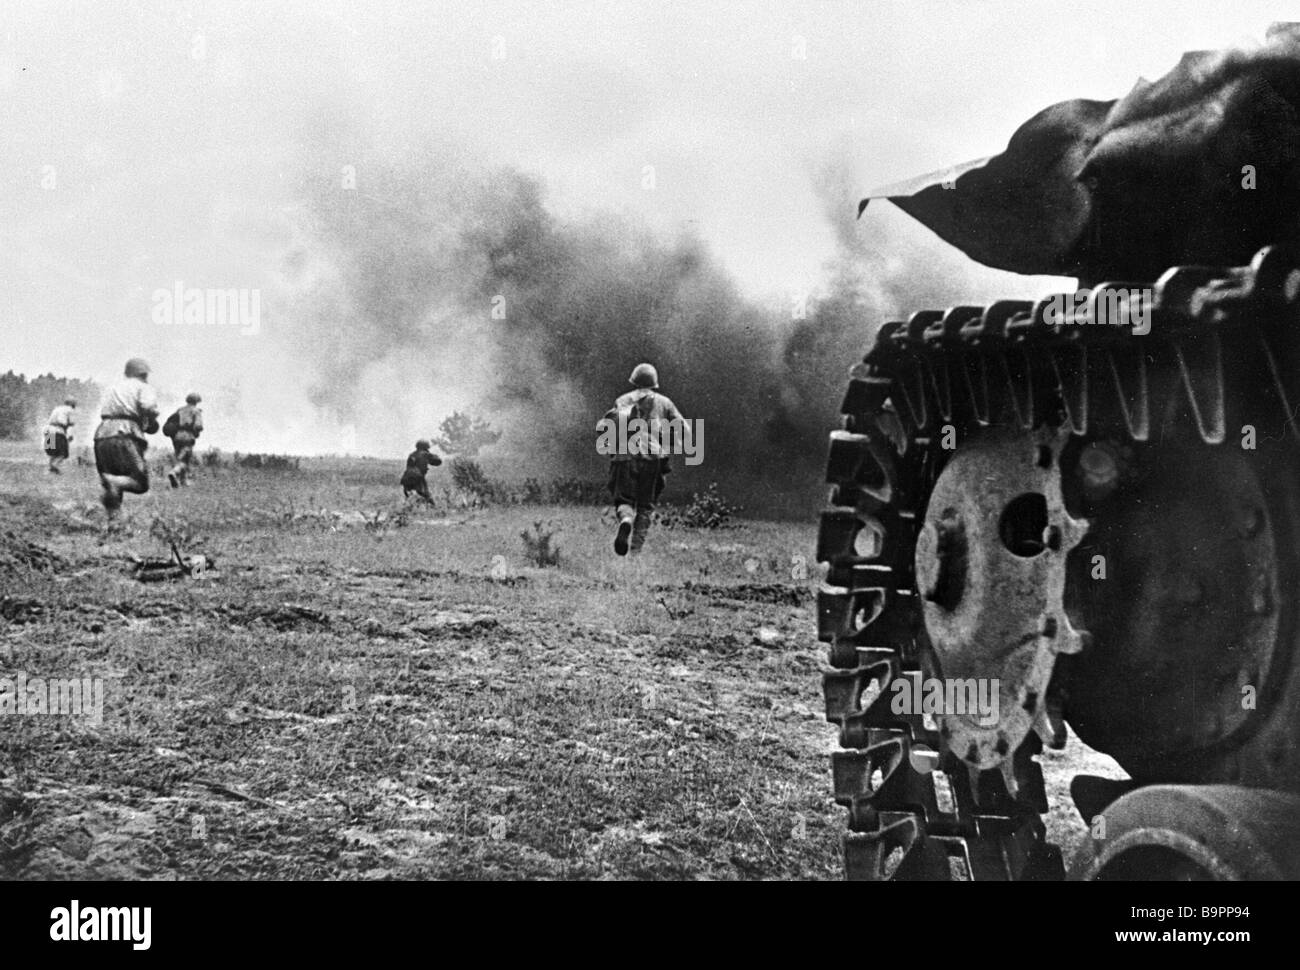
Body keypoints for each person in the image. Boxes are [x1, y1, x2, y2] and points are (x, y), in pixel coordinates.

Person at [601, 362, 685, 556]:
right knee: (646, 507)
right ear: (654, 383)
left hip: (625, 455)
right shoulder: (665, 402)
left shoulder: (622, 400)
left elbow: (611, 425)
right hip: (653, 458)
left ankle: (626, 520)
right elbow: (681, 427)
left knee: (623, 499)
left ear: (634, 380)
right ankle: (635, 553)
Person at [93, 358, 160, 529]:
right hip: (125, 433)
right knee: (139, 482)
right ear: (143, 373)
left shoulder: (113, 388)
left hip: (102, 433)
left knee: (113, 478)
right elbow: (148, 407)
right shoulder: (143, 387)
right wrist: (151, 420)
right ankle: (113, 485)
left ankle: (114, 524)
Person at [167, 392, 204, 488]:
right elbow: (198, 426)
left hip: (176, 436)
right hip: (187, 436)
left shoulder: (180, 410)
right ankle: (173, 473)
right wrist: (198, 430)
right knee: (185, 460)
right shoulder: (196, 411)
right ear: (196, 401)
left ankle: (182, 482)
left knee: (179, 458)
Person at [43, 397, 77, 473]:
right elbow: (69, 424)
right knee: (63, 453)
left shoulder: (57, 408)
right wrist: (70, 435)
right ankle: (54, 466)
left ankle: (50, 469)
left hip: (48, 431)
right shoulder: (70, 410)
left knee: (52, 452)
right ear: (72, 404)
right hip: (58, 431)